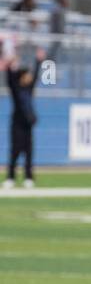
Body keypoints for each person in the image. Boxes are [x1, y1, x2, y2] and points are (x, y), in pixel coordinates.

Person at [3, 52, 41, 189]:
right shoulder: (16, 90)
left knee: (29, 152)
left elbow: (36, 76)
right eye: (27, 75)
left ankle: (28, 177)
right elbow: (9, 80)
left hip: (27, 125)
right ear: (22, 77)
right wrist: (9, 65)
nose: (29, 77)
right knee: (14, 151)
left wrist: (38, 61)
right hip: (16, 125)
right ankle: (10, 177)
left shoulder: (29, 89)